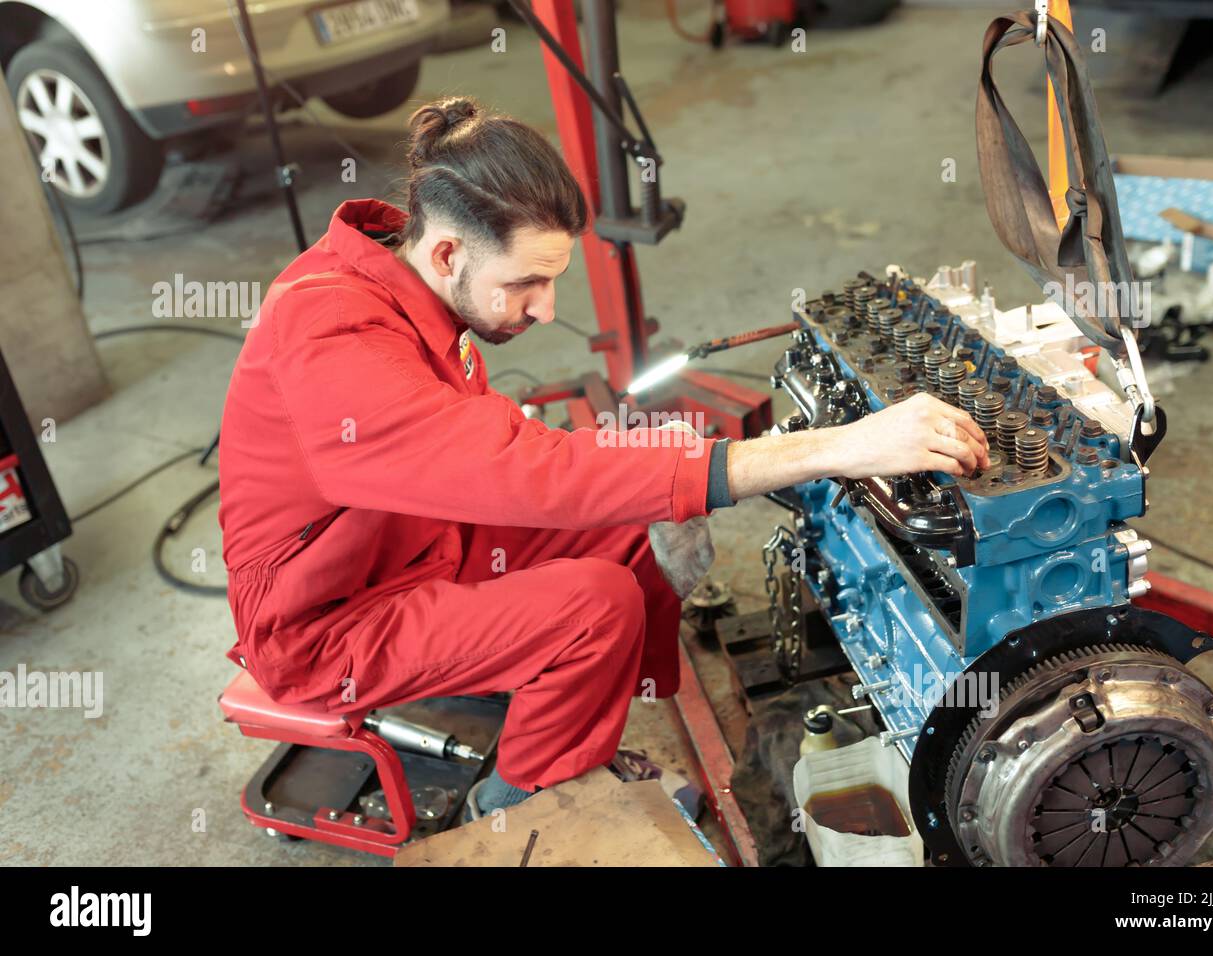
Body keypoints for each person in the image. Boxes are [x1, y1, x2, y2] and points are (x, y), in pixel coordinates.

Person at [217, 96, 989, 817]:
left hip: (417, 539)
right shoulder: (333, 333)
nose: (546, 310)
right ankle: (516, 809)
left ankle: (590, 712)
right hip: (326, 621)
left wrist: (679, 464)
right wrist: (825, 449)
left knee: (637, 525)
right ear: (449, 252)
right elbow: (522, 474)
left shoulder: (412, 280)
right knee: (595, 607)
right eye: (526, 284)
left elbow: (518, 456)